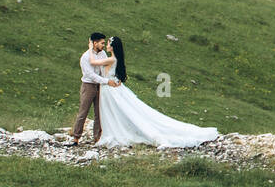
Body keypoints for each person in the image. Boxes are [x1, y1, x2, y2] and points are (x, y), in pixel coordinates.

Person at [85, 35, 218, 148]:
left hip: (109, 90)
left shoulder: (110, 59)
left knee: (114, 112)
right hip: (112, 88)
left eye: (108, 43)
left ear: (113, 46)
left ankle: (117, 132)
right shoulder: (115, 59)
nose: (106, 45)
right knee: (120, 111)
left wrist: (91, 47)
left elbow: (92, 61)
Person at [69, 32, 119, 146]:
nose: (103, 45)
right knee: (83, 111)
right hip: (88, 85)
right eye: (101, 43)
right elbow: (90, 75)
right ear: (94, 43)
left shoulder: (103, 54)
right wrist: (106, 81)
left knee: (99, 112)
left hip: (100, 86)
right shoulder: (86, 57)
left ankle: (97, 137)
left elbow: (104, 69)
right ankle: (76, 138)